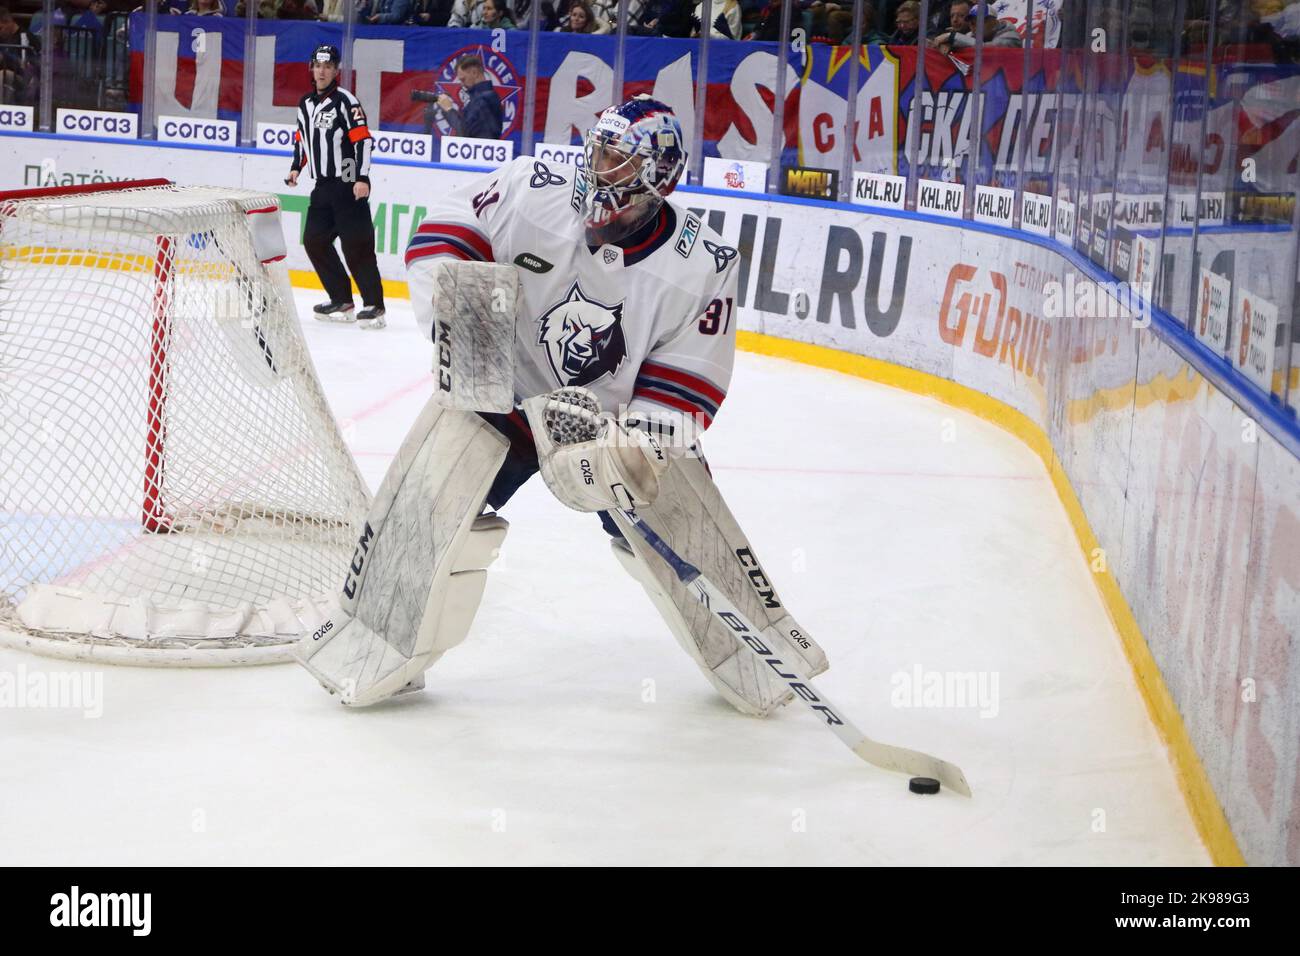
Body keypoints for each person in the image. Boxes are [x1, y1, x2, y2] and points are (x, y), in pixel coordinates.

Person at [299, 94, 829, 716]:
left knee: (683, 534)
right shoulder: (532, 187)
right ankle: (371, 647)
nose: (597, 167)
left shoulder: (702, 265)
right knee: (424, 514)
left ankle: (757, 659)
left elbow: (688, 384)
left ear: (658, 179)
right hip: (503, 393)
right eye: (597, 148)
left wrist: (630, 451)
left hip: (608, 425)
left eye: (618, 159)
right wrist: (470, 339)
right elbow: (446, 234)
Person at [286, 44, 386, 329]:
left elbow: (362, 140)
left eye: (328, 66)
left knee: (356, 245)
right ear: (311, 68)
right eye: (318, 65)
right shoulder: (305, 103)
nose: (322, 71)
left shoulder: (346, 101)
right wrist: (296, 167)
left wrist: (362, 178)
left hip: (347, 182)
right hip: (322, 186)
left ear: (336, 70)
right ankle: (341, 298)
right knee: (314, 240)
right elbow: (301, 139)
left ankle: (374, 305)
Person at [435, 54, 504, 140]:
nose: (462, 84)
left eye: (463, 79)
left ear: (474, 73)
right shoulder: (481, 97)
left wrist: (448, 109)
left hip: (480, 150)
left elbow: (464, 131)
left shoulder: (484, 99)